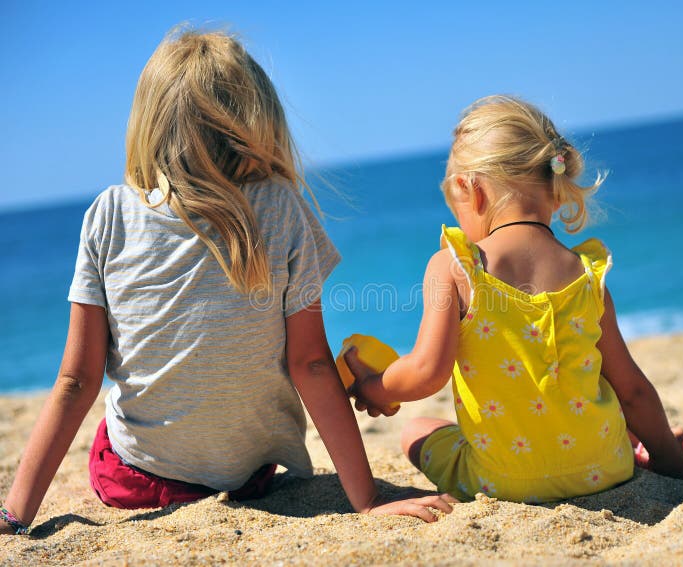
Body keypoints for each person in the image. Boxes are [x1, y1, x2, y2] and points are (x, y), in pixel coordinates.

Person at [0, 28, 455, 536]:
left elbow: (77, 380)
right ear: (257, 121)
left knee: (117, 424)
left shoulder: (109, 214)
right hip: (247, 479)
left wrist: (14, 514)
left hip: (135, 481)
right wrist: (367, 499)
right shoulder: (281, 205)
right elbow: (307, 363)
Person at [345, 95, 683, 504]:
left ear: (471, 190)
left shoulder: (456, 267)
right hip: (605, 471)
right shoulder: (588, 275)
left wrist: (375, 388)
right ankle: (632, 448)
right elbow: (632, 390)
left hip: (503, 484)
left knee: (417, 429)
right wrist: (674, 464)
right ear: (554, 183)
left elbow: (426, 371)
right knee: (601, 403)